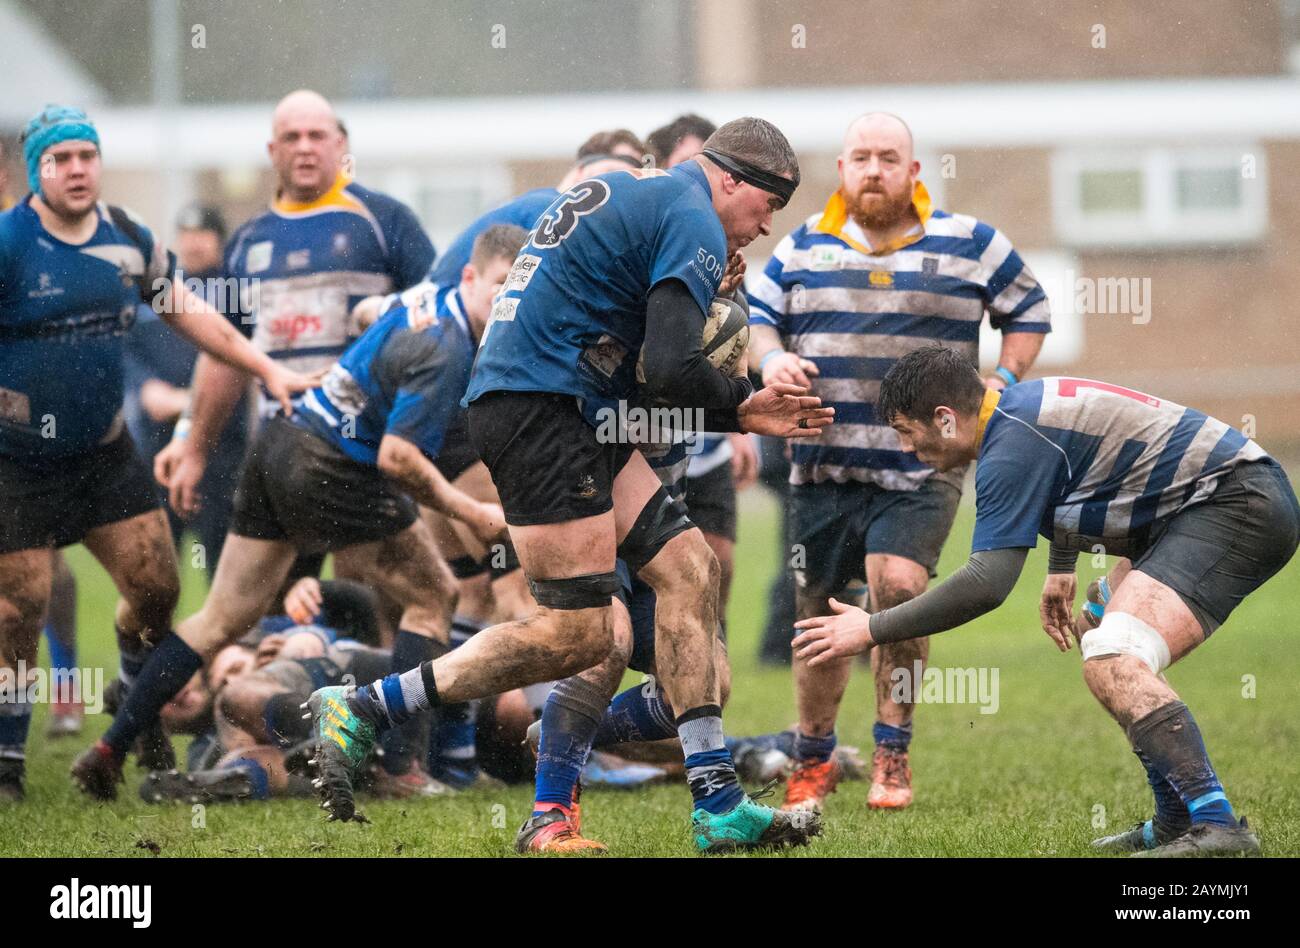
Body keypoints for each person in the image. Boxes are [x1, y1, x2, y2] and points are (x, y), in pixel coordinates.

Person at [307, 117, 834, 854]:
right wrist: (741, 405)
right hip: (544, 413)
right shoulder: (692, 216)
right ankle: (364, 705)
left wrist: (716, 367)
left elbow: (630, 339)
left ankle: (716, 802)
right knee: (581, 634)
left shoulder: (637, 190)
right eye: (769, 203)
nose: (767, 224)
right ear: (732, 180)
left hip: (569, 408)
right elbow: (674, 369)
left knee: (689, 569)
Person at [792, 345, 1299, 857]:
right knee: (1096, 635)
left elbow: (988, 582)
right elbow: (1079, 475)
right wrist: (1061, 569)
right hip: (1204, 507)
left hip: (1234, 505)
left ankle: (1217, 825)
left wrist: (871, 628)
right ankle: (1175, 819)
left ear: (945, 419)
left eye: (906, 430)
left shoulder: (1011, 443)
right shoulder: (1017, 412)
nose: (906, 448)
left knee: (1114, 656)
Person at [69, 213, 506, 799]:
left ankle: (109, 746)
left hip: (278, 442)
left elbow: (367, 316)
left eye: (519, 290)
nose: (510, 300)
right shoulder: (447, 345)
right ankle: (399, 768)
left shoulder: (432, 298)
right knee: (434, 595)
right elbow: (399, 460)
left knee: (221, 619)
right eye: (503, 284)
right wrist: (471, 513)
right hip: (333, 462)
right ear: (473, 275)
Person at [0, 104, 317, 802]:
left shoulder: (126, 236)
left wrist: (266, 368)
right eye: (61, 159)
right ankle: (7, 763)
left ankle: (131, 715)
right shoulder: (10, 244)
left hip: (103, 455)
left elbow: (194, 313)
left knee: (157, 590)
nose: (78, 169)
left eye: (88, 155)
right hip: (17, 464)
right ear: (37, 171)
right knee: (17, 607)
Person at [748, 112, 1050, 812]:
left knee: (900, 587)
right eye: (861, 157)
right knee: (818, 618)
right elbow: (757, 318)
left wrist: (1001, 381)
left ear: (914, 172)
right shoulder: (800, 247)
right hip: (820, 467)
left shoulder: (971, 243)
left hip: (921, 469)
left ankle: (891, 752)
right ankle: (814, 757)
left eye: (889, 157)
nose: (874, 169)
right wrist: (771, 358)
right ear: (843, 171)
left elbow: (1029, 311)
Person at [154, 89, 435, 533]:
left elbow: (434, 325)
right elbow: (223, 350)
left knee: (376, 592)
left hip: (365, 446)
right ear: (272, 150)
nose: (304, 146)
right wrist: (191, 442)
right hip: (278, 451)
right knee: (267, 599)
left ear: (340, 145)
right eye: (291, 136)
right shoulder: (248, 242)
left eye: (316, 135)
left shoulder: (385, 222)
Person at [124, 204, 247, 581]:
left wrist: (191, 401)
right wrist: (144, 386)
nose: (194, 243)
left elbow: (236, 355)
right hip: (157, 441)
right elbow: (126, 344)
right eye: (186, 234)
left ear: (220, 241)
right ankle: (151, 641)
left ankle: (222, 640)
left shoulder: (235, 291)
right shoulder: (157, 288)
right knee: (153, 562)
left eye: (203, 234)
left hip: (217, 441)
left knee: (220, 556)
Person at [426, 129, 647, 287]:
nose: (616, 189)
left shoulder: (538, 203)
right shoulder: (549, 209)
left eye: (628, 181)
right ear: (581, 170)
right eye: (611, 173)